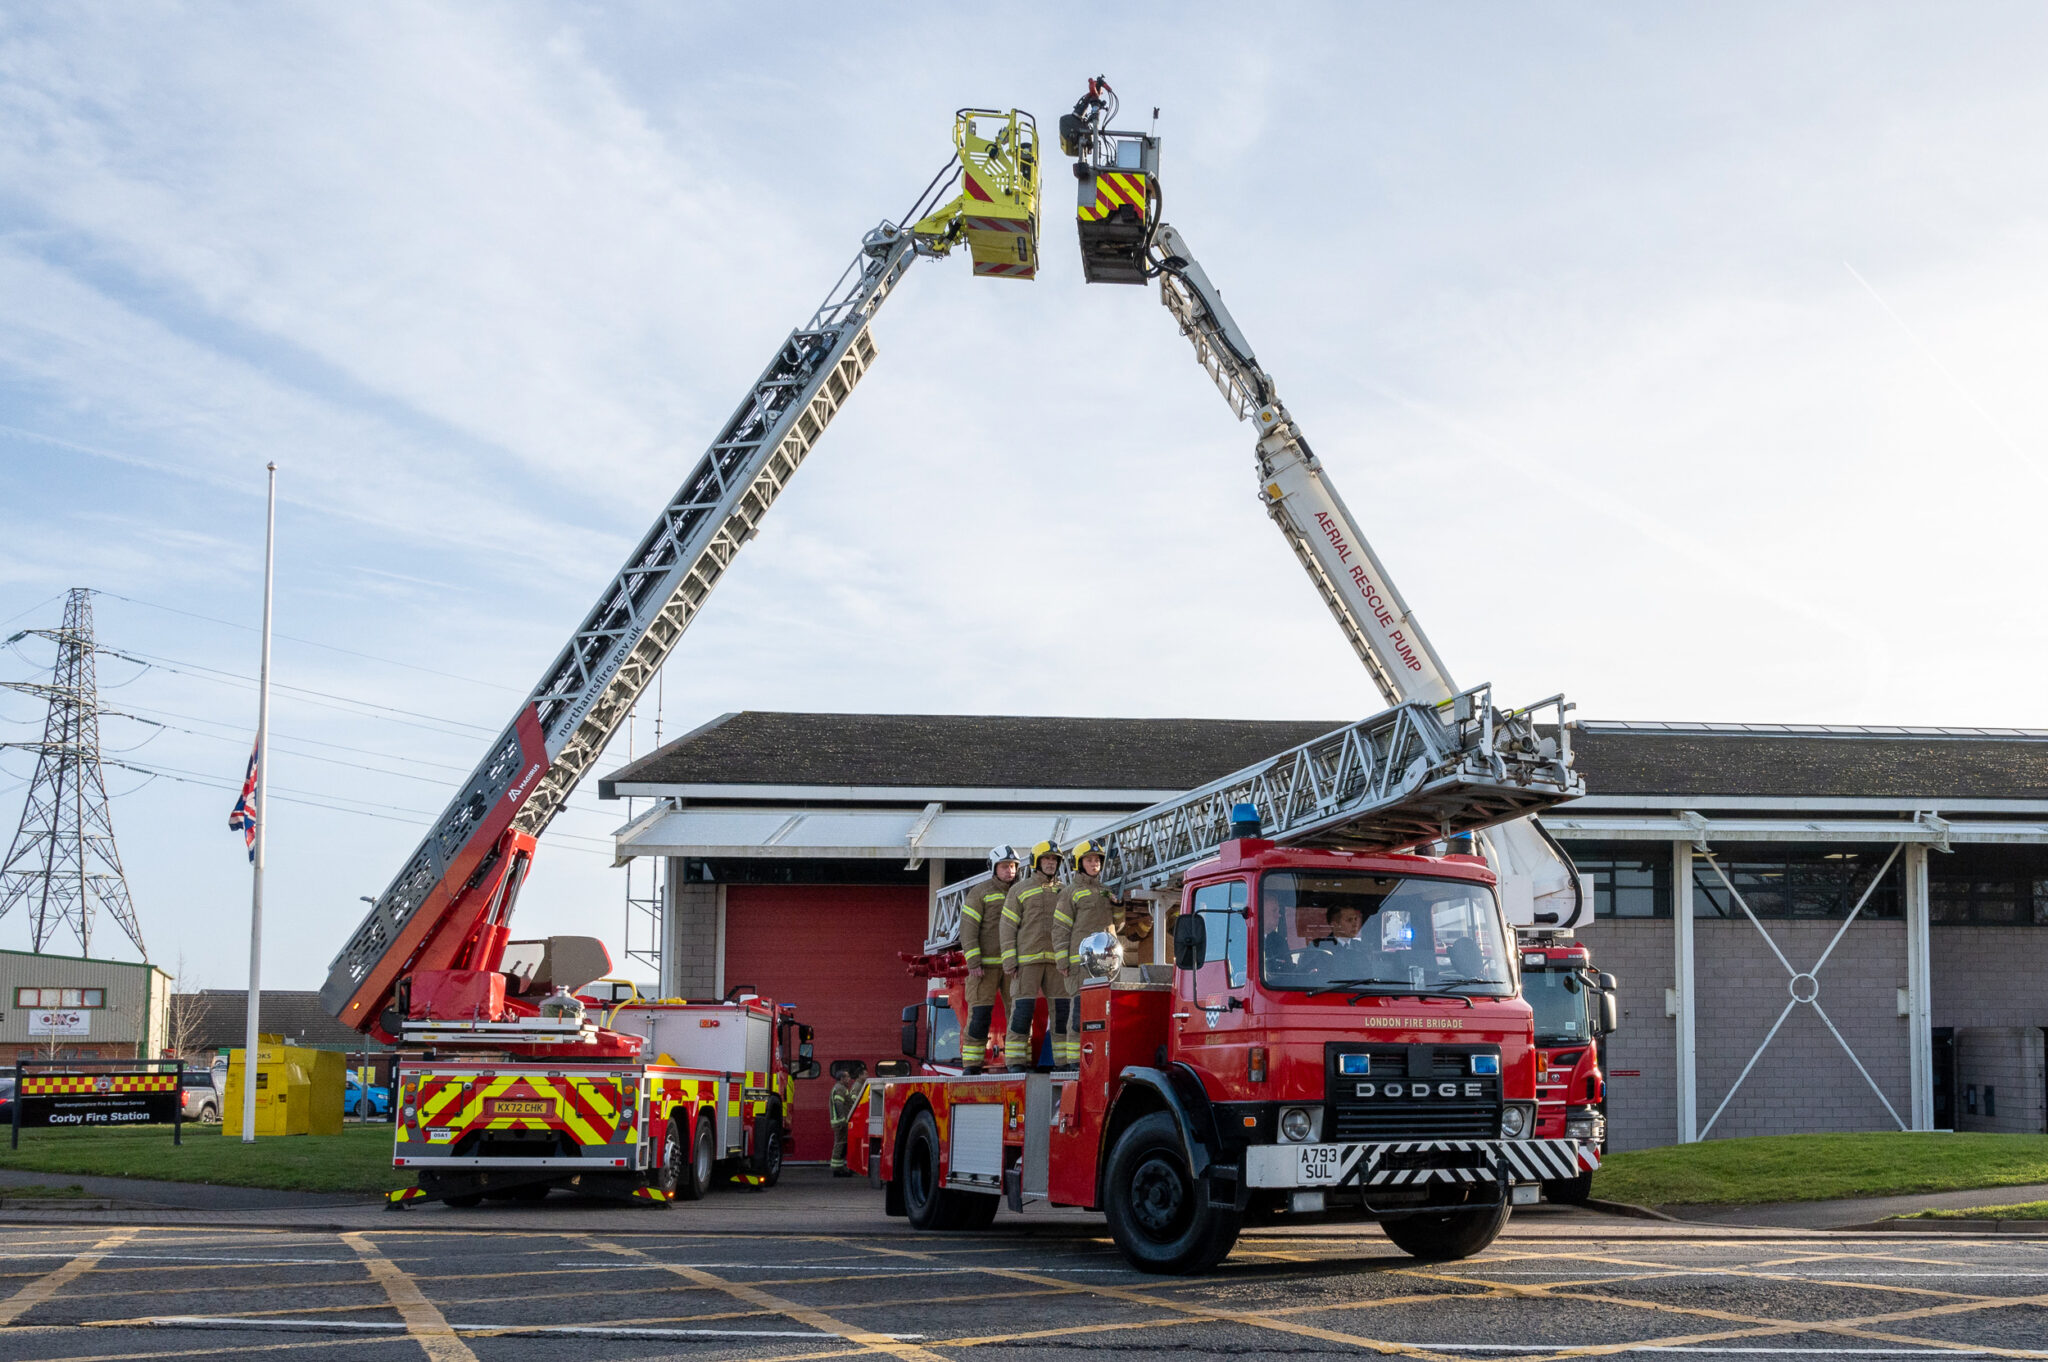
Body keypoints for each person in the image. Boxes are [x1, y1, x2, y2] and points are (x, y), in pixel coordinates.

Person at [998, 840, 1065, 1071]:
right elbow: (1007, 927)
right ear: (1036, 861)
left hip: (1057, 963)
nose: (1050, 863)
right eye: (1046, 858)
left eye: (1054, 859)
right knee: (1022, 1012)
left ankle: (1063, 1062)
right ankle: (1015, 1062)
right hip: (1027, 962)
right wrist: (1010, 960)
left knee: (1062, 1014)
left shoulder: (1064, 891)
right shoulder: (1020, 890)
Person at [1051, 840, 1117, 1067]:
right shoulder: (1070, 893)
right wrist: (1062, 960)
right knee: (1079, 1012)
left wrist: (1118, 907)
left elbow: (1118, 924)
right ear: (1079, 864)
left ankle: (1098, 1058)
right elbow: (1060, 929)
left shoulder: (1106, 891)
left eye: (1097, 860)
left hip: (1106, 962)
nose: (1094, 863)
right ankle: (1074, 1060)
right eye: (1089, 860)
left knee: (1103, 1013)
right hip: (1080, 963)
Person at [958, 845, 1022, 1073]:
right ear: (993, 868)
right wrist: (974, 961)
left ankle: (1016, 1062)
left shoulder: (1022, 892)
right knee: (980, 1015)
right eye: (1004, 866)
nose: (1010, 871)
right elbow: (968, 929)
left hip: (1014, 966)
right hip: (985, 967)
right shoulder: (980, 893)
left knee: (1019, 1015)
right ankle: (972, 1064)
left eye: (1013, 866)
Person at [828, 1066, 861, 1177]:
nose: (849, 1079)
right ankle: (837, 1169)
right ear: (842, 1078)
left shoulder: (839, 1088)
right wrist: (843, 1119)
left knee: (841, 1144)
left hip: (839, 1122)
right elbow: (838, 1103)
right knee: (840, 1144)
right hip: (840, 1122)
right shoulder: (840, 1089)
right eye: (847, 1077)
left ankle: (839, 1168)